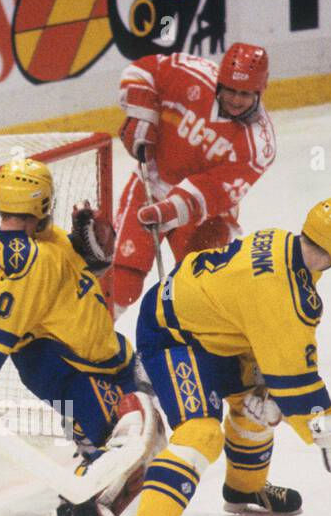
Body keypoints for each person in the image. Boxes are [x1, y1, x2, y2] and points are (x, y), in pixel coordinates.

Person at [107, 199, 331, 516]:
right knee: (201, 433)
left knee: (257, 403)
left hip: (213, 328)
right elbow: (296, 386)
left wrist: (273, 391)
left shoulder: (279, 240)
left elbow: (270, 345)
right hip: (173, 337)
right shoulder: (286, 298)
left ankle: (245, 489)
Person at [0, 158, 162, 516]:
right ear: (44, 201)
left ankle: (89, 510)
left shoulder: (49, 240)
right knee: (128, 432)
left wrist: (96, 253)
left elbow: (75, 280)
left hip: (102, 357)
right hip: (66, 367)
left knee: (145, 444)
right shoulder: (27, 261)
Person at [107, 42, 277, 314]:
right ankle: (91, 338)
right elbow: (140, 72)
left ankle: (215, 339)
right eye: (230, 90)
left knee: (206, 289)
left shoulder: (258, 144)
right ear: (219, 80)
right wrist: (142, 116)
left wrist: (169, 210)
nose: (235, 100)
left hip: (206, 215)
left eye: (245, 94)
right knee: (121, 281)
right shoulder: (190, 74)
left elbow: (214, 191)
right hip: (152, 184)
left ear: (260, 90)